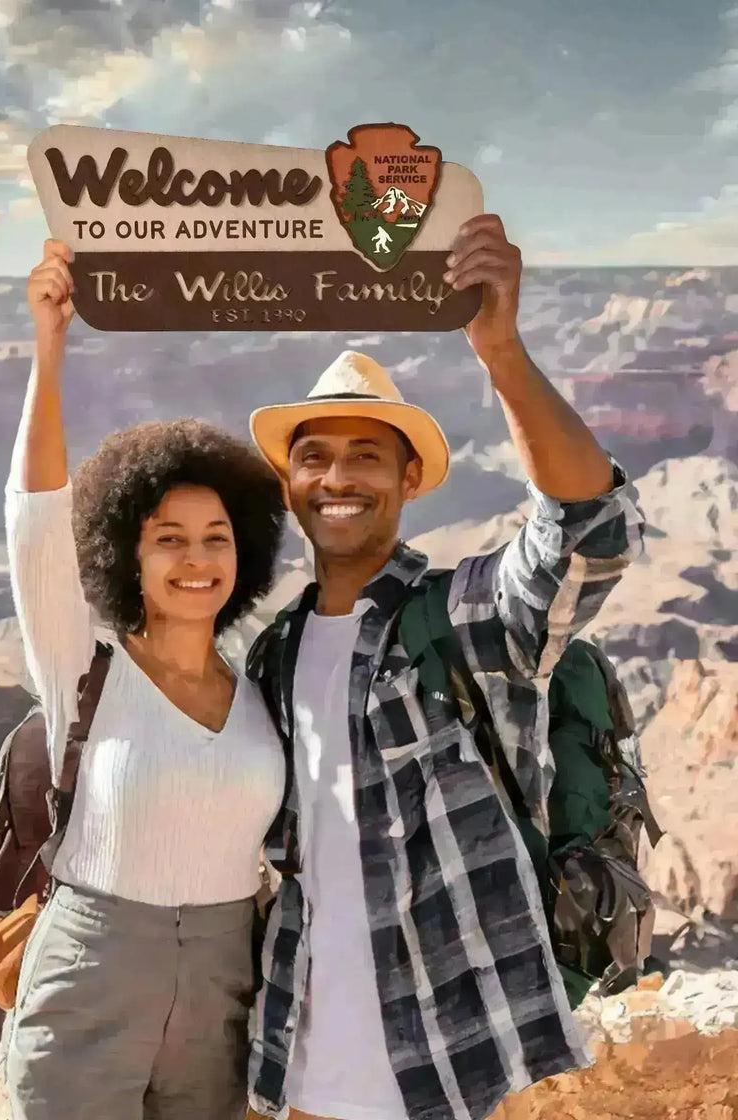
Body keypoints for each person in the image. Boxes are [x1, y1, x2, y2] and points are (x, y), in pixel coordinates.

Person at [241, 213, 647, 1120]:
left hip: (447, 1061)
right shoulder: (272, 655)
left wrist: (500, 351)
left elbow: (590, 534)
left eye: (366, 456)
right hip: (294, 1064)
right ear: (289, 484)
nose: (338, 476)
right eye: (315, 457)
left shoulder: (457, 618)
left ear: (409, 479)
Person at [3, 238, 290, 1120]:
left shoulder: (261, 693)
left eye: (217, 537)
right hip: (92, 975)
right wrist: (48, 349)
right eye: (169, 537)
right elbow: (34, 522)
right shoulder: (82, 666)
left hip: (223, 988)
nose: (197, 560)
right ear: (128, 552)